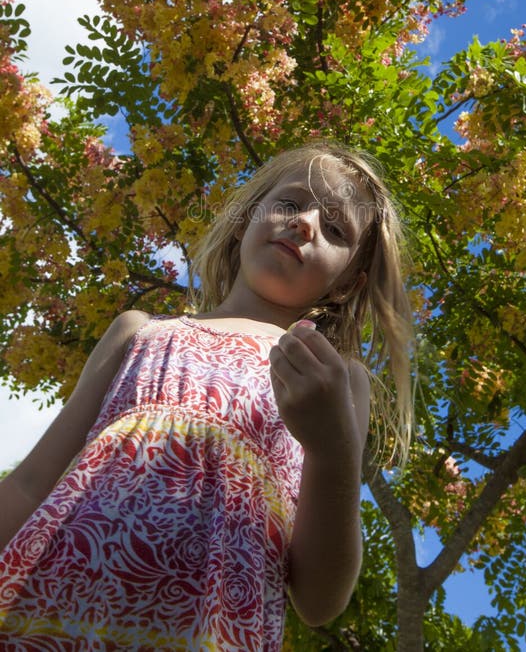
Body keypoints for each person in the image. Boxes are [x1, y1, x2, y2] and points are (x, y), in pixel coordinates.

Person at [0, 141, 413, 650]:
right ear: (245, 219)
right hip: (45, 611)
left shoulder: (335, 379)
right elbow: (30, 484)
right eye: (290, 203)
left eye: (335, 229)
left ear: (349, 284)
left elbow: (320, 599)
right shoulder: (140, 332)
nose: (305, 223)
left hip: (207, 631)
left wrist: (332, 450)